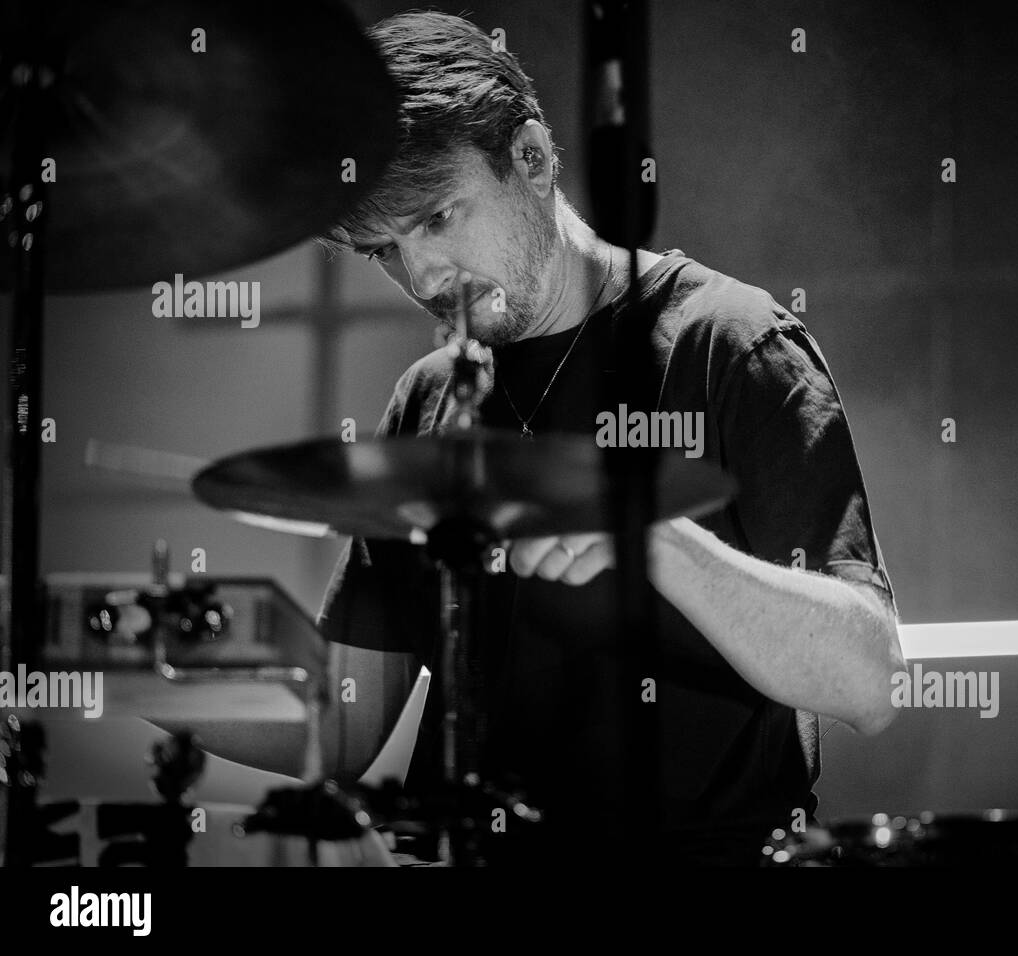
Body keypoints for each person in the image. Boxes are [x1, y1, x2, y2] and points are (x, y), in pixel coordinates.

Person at [314, 9, 904, 865]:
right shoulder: (430, 397)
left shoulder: (728, 341)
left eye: (439, 219)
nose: (423, 277)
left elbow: (872, 682)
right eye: (385, 251)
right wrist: (133, 653)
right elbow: (343, 730)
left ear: (531, 157)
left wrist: (656, 541)